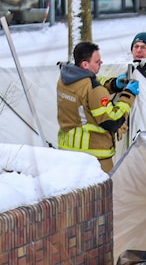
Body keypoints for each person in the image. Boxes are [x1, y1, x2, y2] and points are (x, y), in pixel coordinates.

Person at [57, 41, 138, 173]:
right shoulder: (94, 90)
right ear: (85, 64)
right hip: (95, 158)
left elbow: (90, 88)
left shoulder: (64, 81)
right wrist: (128, 95)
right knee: (104, 187)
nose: (101, 63)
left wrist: (113, 84)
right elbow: (113, 121)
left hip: (68, 152)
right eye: (97, 61)